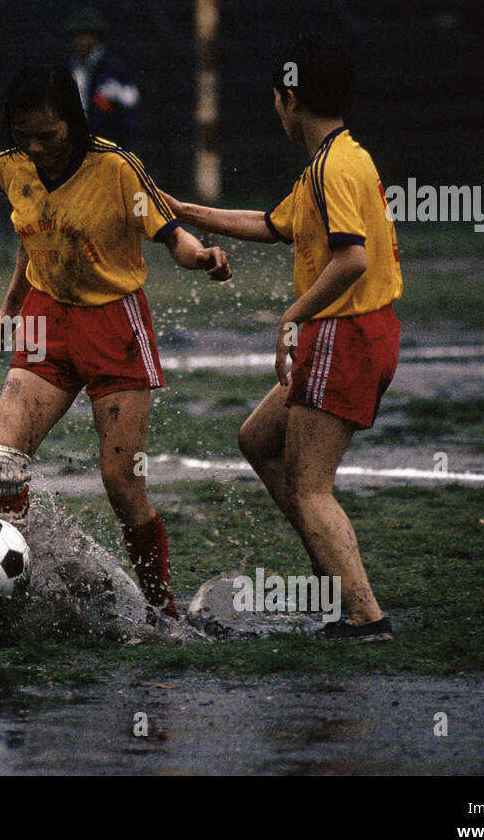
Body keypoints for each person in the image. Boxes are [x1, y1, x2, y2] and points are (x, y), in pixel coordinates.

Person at [158, 34, 401, 641]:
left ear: (290, 98)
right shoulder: (339, 159)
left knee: (311, 487)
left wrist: (292, 317)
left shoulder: (334, 168)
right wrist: (185, 210)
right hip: (356, 332)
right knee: (258, 440)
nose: (275, 109)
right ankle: (336, 588)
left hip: (344, 335)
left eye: (275, 98)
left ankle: (365, 617)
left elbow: (352, 260)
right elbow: (271, 224)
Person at [0, 63, 232, 619]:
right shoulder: (9, 167)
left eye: (50, 135)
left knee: (122, 486)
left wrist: (200, 257)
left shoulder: (115, 168)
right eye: (25, 137)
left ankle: (165, 614)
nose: (38, 148)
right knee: (0, 468)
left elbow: (169, 234)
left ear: (74, 120)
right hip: (47, 319)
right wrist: (9, 309)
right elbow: (31, 236)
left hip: (114, 326)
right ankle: (8, 603)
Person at [67, 7, 140, 148]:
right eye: (76, 36)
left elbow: (130, 103)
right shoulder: (72, 68)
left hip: (108, 143)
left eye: (84, 35)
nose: (79, 41)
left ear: (95, 37)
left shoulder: (112, 69)